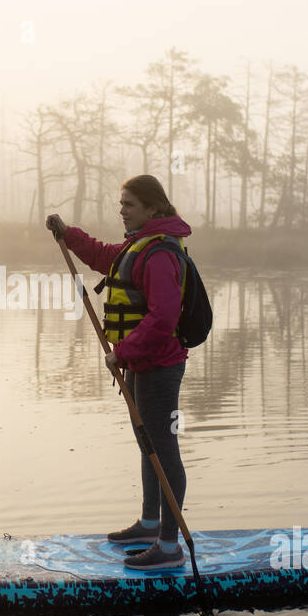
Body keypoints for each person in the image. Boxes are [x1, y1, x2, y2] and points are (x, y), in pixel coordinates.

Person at [46, 174, 191, 571]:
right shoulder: (138, 245)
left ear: (152, 208)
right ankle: (149, 524)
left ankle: (169, 546)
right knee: (149, 445)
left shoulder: (161, 254)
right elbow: (102, 255)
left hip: (160, 365)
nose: (121, 209)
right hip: (142, 363)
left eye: (128, 204)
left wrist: (121, 352)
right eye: (121, 203)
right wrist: (68, 234)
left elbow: (164, 317)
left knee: (163, 450)